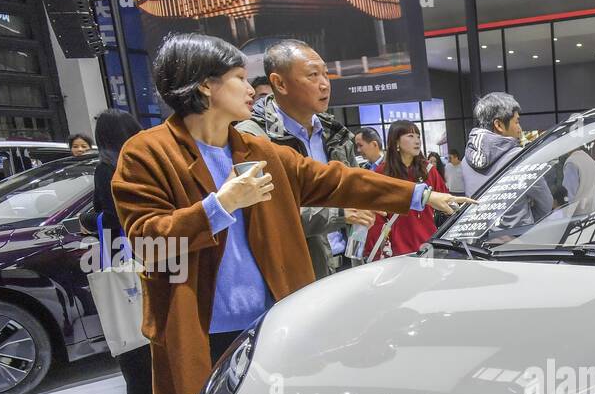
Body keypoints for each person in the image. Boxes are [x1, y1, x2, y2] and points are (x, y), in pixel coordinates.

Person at [111, 32, 473, 394]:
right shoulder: (147, 154)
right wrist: (219, 205)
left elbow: (335, 181)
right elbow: (147, 241)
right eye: (237, 80)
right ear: (203, 88)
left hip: (275, 324)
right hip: (196, 328)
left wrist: (423, 199)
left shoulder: (257, 151)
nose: (249, 90)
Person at [235, 39, 372, 279]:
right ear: (279, 83)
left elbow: (354, 194)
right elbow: (269, 214)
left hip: (349, 265)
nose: (324, 85)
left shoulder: (336, 133)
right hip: (297, 275)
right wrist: (340, 215)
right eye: (312, 75)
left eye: (325, 74)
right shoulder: (252, 138)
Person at [92, 109, 154, 394]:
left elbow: (111, 218)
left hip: (124, 259)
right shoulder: (149, 161)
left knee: (128, 334)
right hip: (163, 254)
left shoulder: (107, 170)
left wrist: (90, 220)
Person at [462, 91, 551, 225]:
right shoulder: (521, 158)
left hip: (478, 241)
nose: (520, 129)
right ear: (498, 125)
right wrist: (526, 224)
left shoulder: (466, 160)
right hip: (517, 241)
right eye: (516, 122)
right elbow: (546, 203)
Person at [363, 120, 447, 259]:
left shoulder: (428, 171)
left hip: (429, 246)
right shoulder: (381, 174)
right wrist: (376, 252)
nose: (417, 141)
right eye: (410, 136)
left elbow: (445, 202)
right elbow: (376, 217)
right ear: (396, 141)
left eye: (418, 136)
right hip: (396, 250)